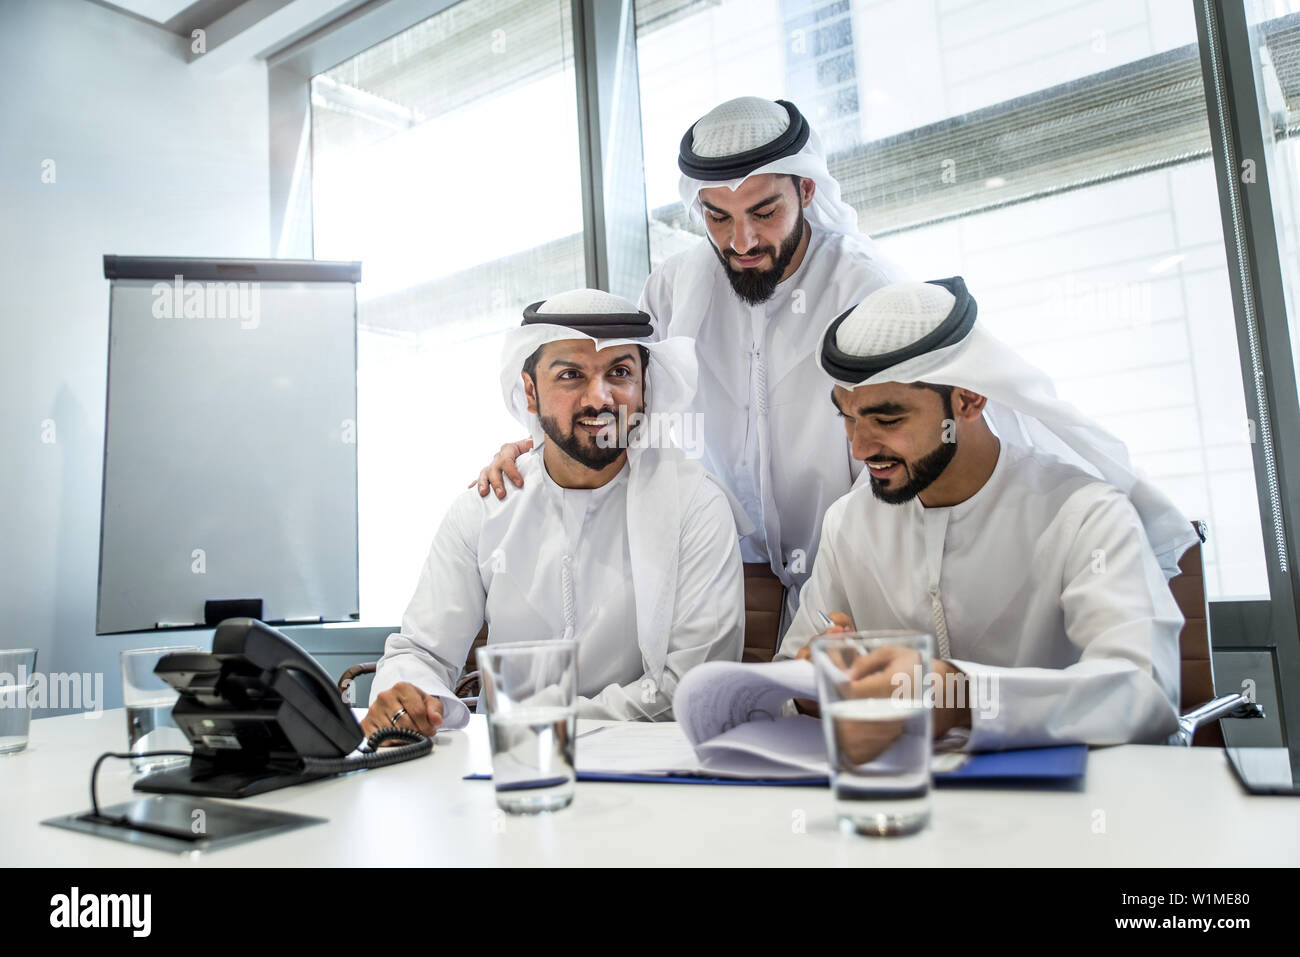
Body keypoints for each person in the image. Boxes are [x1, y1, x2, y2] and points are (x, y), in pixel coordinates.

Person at [473, 97, 907, 621]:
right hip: (721, 585)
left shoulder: (866, 289)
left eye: (764, 213)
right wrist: (536, 454)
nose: (740, 240)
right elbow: (621, 407)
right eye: (717, 217)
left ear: (806, 190)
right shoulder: (675, 287)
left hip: (860, 587)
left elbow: (900, 452)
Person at [776, 276, 1198, 750]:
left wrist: (963, 697)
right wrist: (810, 690)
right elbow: (786, 683)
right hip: (895, 803)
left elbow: (1144, 691)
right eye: (847, 418)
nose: (859, 447)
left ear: (969, 400)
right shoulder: (848, 522)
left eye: (888, 420)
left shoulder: (1084, 514)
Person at [363, 290, 744, 737]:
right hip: (506, 780)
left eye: (619, 372)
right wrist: (407, 693)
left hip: (648, 772)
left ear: (645, 389)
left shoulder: (695, 507)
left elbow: (693, 685)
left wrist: (537, 723)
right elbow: (423, 653)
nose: (598, 399)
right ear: (530, 391)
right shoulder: (487, 506)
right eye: (570, 375)